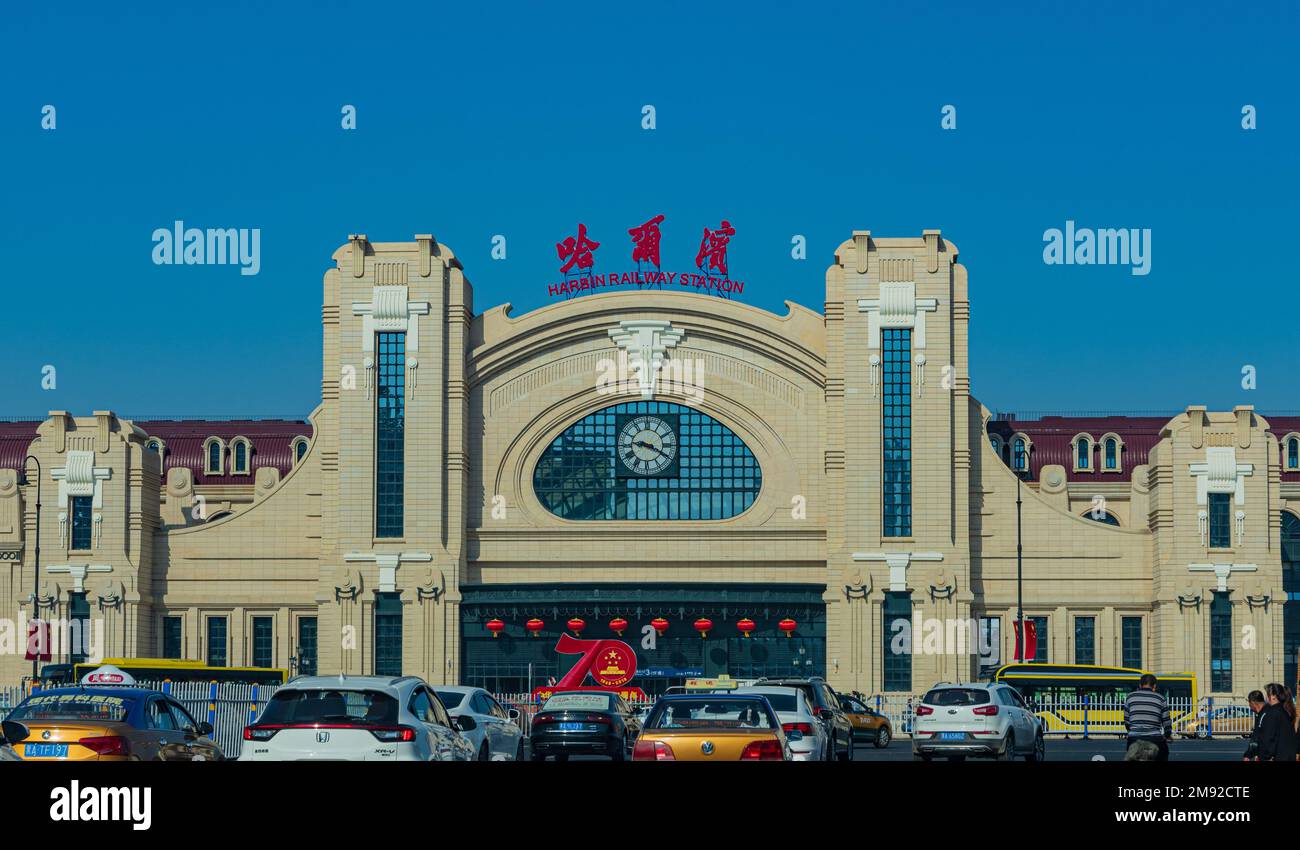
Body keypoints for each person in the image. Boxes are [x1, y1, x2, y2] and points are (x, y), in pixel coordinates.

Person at [1123, 673, 1171, 761]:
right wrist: (1167, 735)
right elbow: (1166, 722)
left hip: (1134, 739)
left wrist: (1132, 731)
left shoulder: (1130, 697)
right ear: (1154, 686)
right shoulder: (1160, 698)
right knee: (1164, 753)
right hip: (1155, 739)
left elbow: (1126, 721)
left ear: (1140, 685)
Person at [1256, 682, 1298, 762]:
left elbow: (1268, 738)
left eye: (1267, 694)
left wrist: (1266, 756)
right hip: (1288, 756)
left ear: (1273, 696)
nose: (1265, 697)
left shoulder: (1272, 713)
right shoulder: (1286, 711)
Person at [1243, 690, 1266, 761]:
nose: (1249, 705)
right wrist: (1248, 754)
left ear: (1253, 703)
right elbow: (1256, 737)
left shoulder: (1267, 714)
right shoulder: (1258, 714)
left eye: (1249, 703)